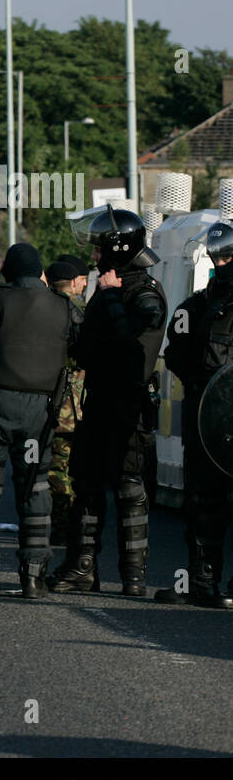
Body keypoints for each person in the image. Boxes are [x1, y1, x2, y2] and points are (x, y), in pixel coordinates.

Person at [0, 243, 83, 598]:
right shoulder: (64, 307)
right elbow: (82, 347)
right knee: (34, 488)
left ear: (7, 271)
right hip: (39, 415)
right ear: (40, 272)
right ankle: (34, 576)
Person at [50, 207, 168, 597]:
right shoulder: (107, 289)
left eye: (100, 248)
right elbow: (86, 348)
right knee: (85, 482)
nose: (94, 255)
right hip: (97, 400)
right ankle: (82, 567)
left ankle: (133, 577)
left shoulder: (144, 293)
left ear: (118, 248)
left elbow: (129, 345)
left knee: (128, 488)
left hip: (128, 405)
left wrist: (112, 298)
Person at [154, 221, 233, 608]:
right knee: (202, 503)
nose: (221, 263)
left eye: (227, 256)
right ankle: (201, 582)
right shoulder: (195, 307)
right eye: (216, 257)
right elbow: (176, 355)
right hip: (207, 423)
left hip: (216, 421)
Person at [44, 255, 89, 545]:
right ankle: (72, 527)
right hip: (73, 405)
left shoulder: (38, 308)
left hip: (45, 402)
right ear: (74, 283)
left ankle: (59, 525)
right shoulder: (80, 311)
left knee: (53, 467)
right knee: (69, 468)